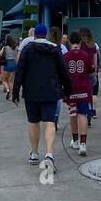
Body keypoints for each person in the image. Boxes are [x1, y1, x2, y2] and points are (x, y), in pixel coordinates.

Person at [12, 23, 70, 171]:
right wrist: (68, 89)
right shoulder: (54, 50)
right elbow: (63, 70)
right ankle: (49, 154)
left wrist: (15, 91)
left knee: (33, 122)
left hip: (31, 92)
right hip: (51, 91)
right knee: (50, 122)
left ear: (34, 35)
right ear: (46, 34)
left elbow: (20, 70)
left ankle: (34, 153)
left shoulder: (27, 49)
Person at [64, 31, 94, 156]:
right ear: (81, 42)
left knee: (73, 114)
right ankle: (83, 144)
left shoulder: (65, 56)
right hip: (84, 89)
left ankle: (75, 140)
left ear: (69, 42)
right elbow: (91, 71)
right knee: (83, 115)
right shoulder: (86, 55)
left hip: (71, 90)